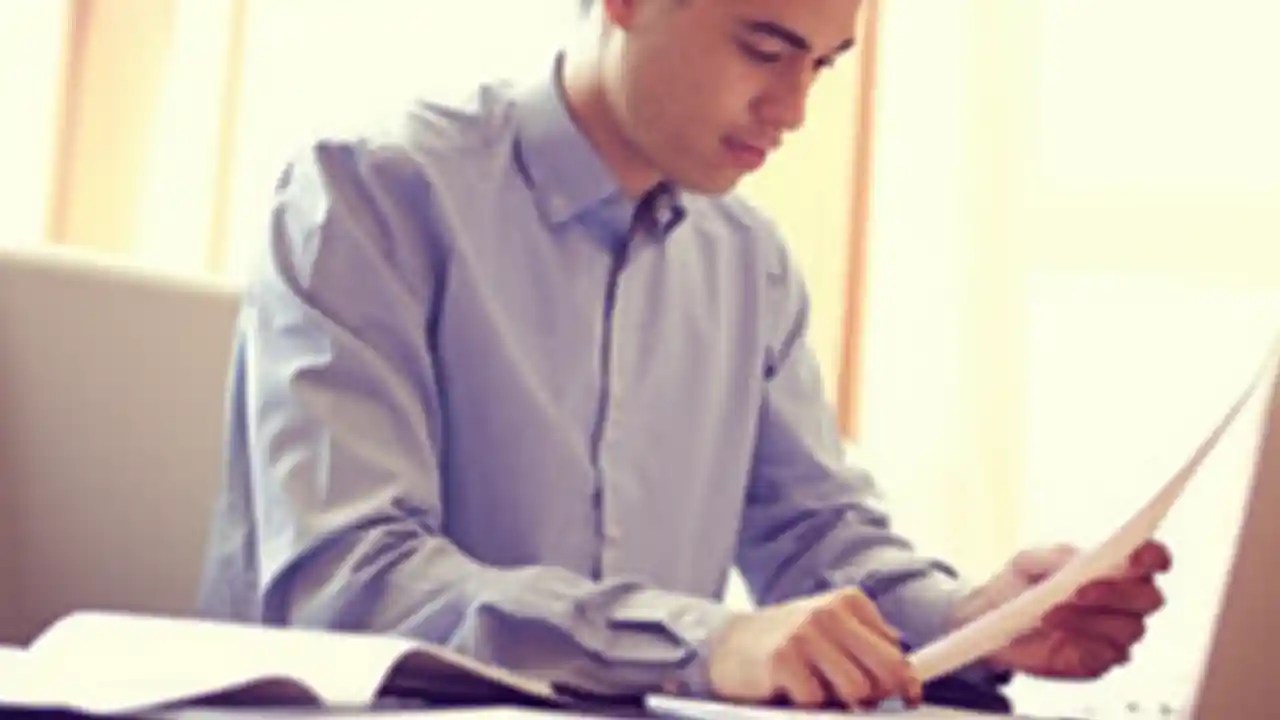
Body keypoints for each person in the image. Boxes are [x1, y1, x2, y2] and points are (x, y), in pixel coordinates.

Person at [197, 0, 1171, 710]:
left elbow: (812, 537)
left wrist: (974, 621)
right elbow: (347, 582)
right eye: (764, 48)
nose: (792, 108)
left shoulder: (749, 261)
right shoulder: (368, 193)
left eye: (822, 65)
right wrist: (705, 641)